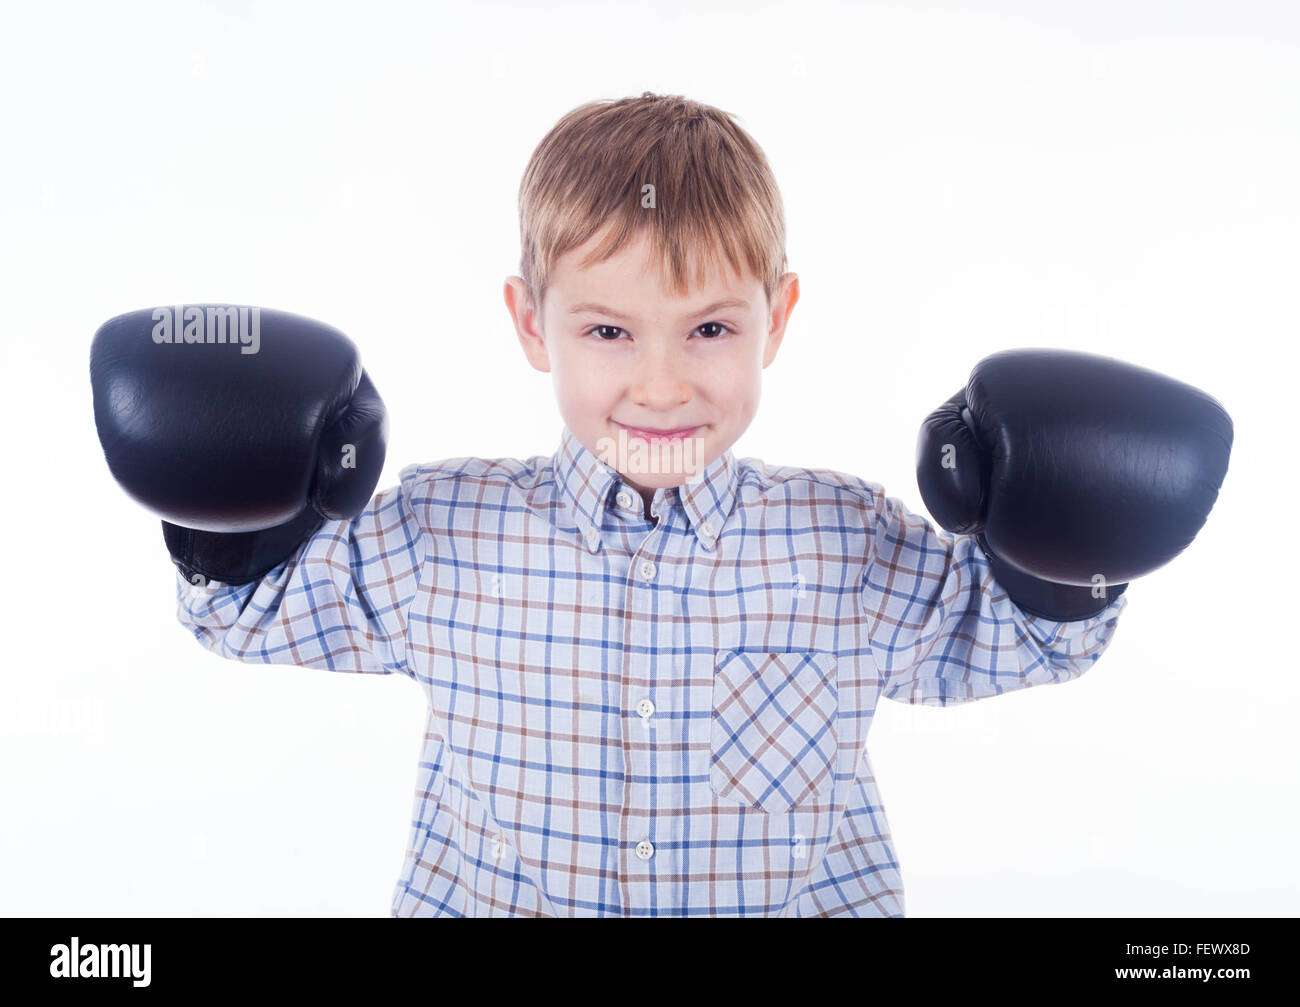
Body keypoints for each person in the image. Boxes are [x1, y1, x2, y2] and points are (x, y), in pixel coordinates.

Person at [90, 92, 1232, 916]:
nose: (660, 383)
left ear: (776, 319)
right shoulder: (439, 534)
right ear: (531, 323)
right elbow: (248, 614)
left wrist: (1062, 545)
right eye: (606, 330)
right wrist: (230, 525)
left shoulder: (845, 540)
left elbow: (1016, 641)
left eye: (710, 329)